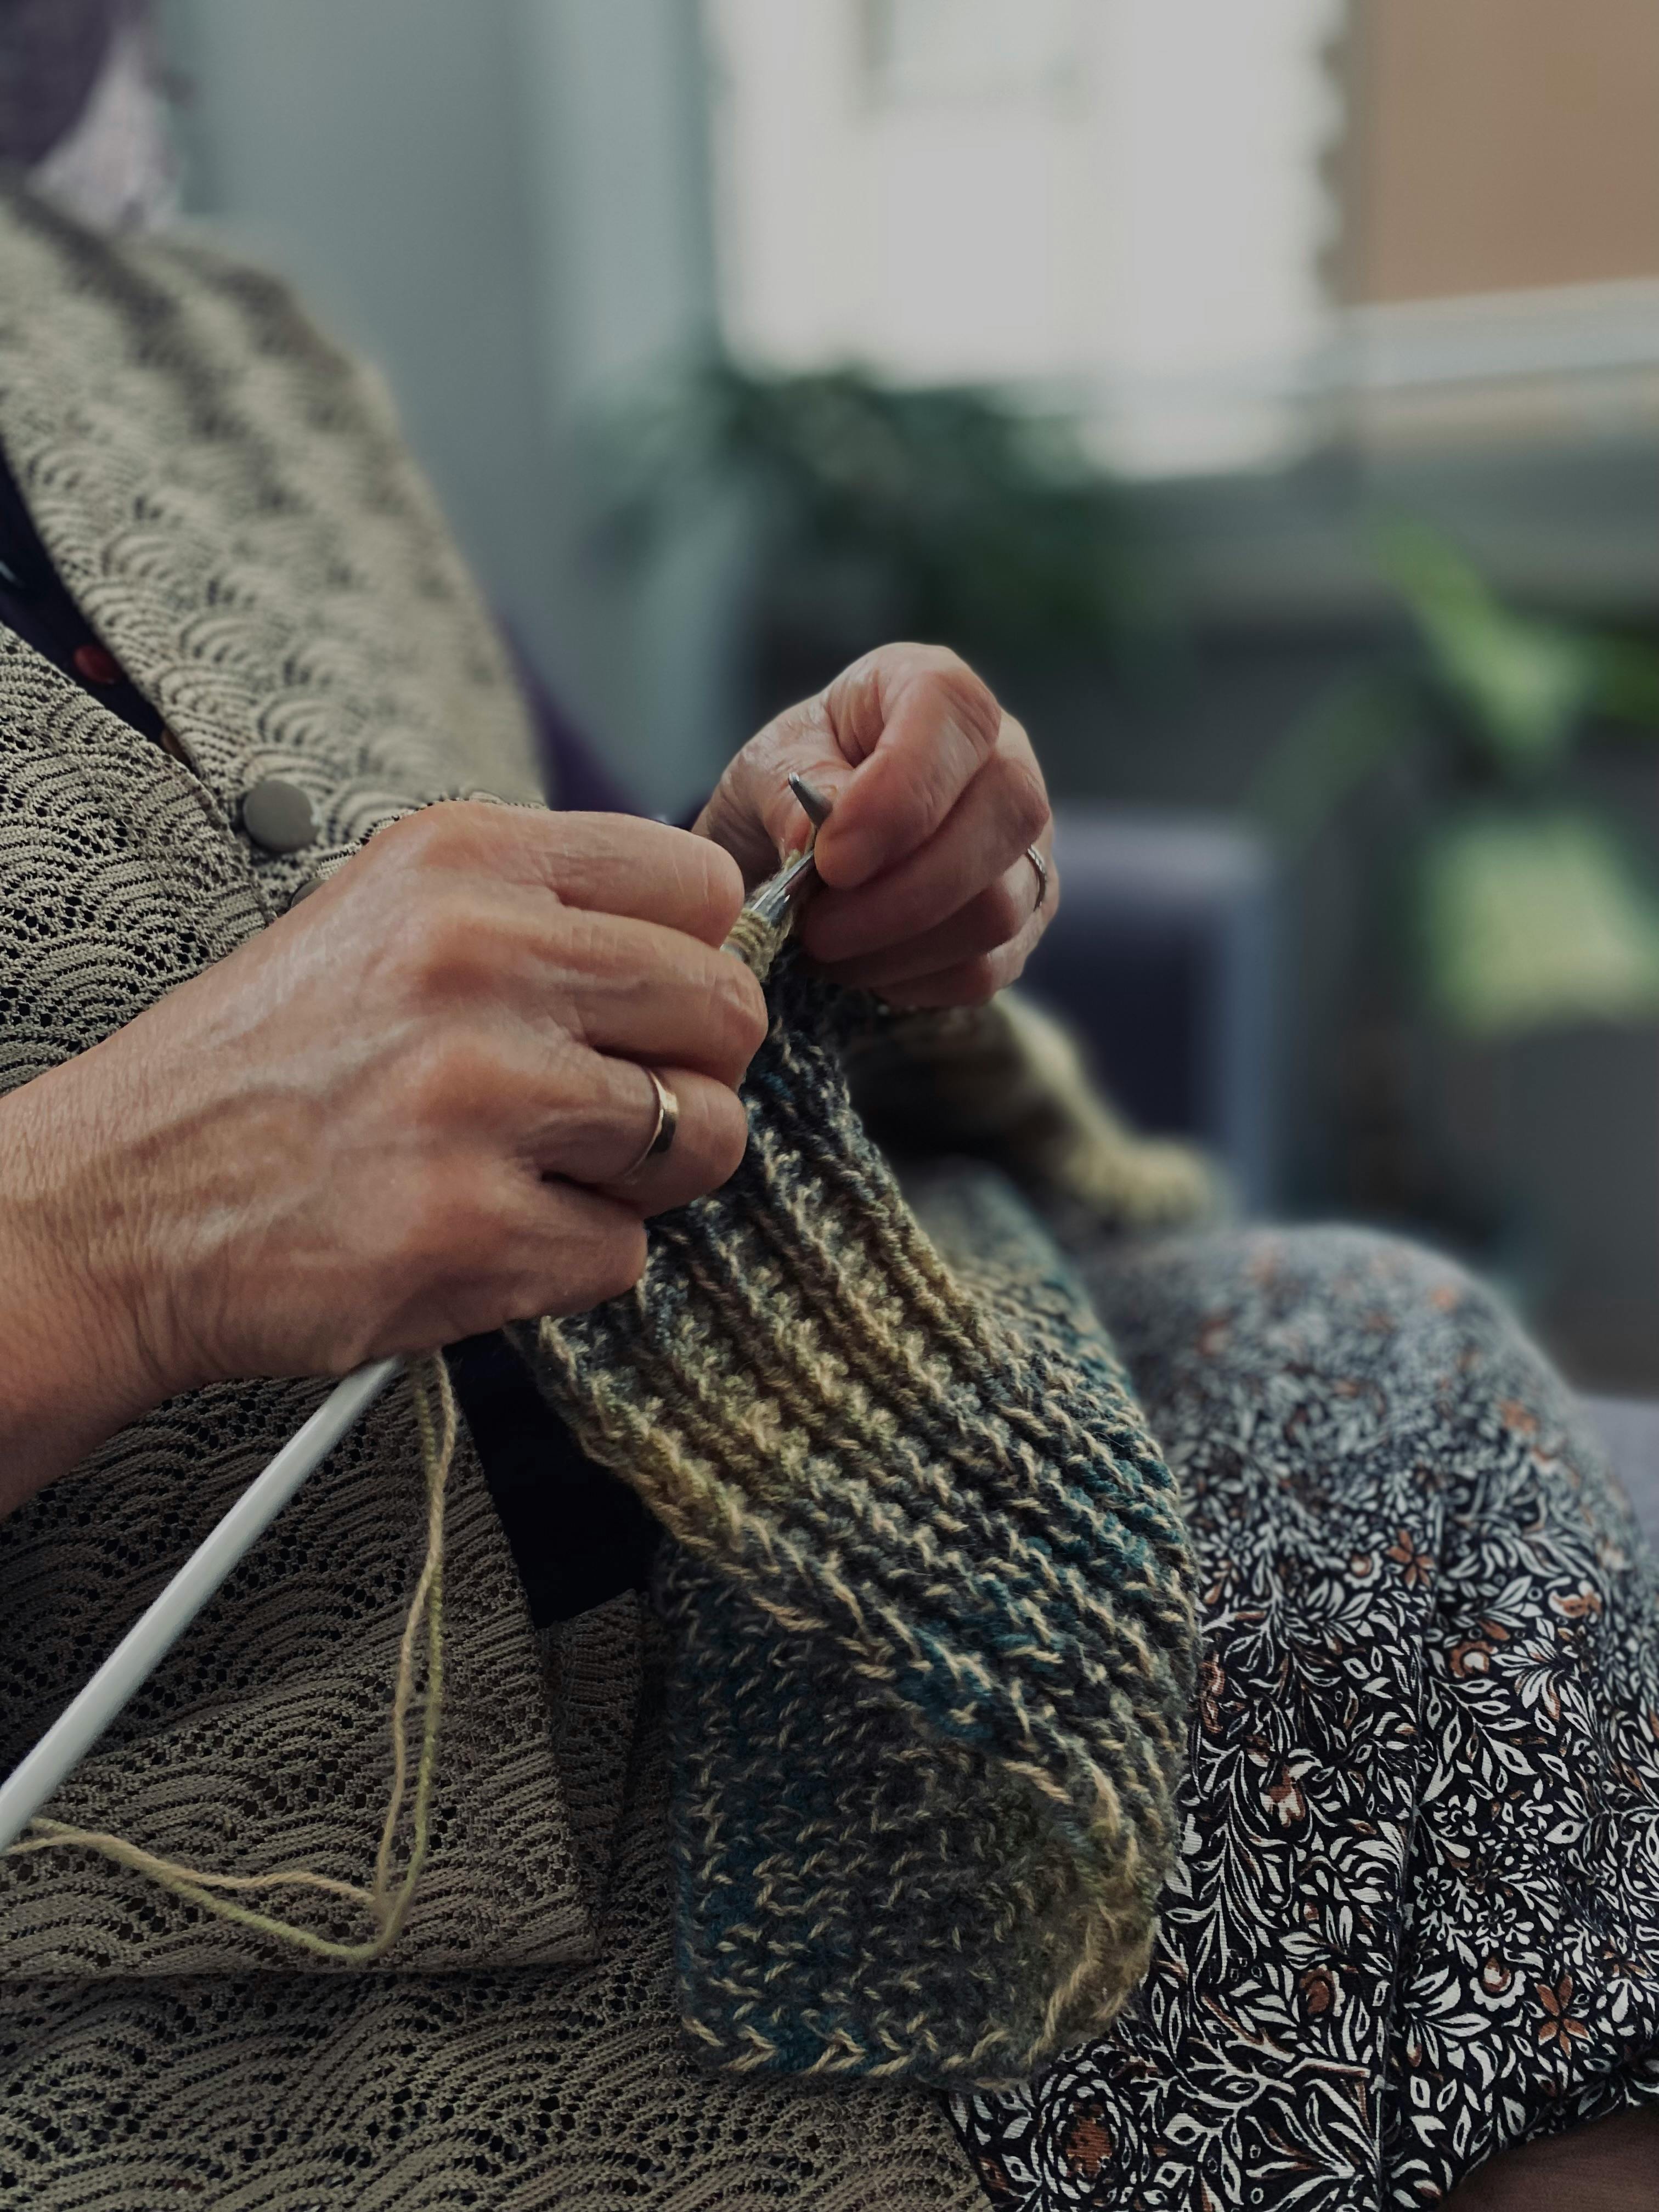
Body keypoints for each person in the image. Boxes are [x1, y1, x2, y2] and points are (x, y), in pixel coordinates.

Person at [0, 11, 1655, 2208]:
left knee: (1424, 1489)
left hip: (760, 1565)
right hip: (241, 1964)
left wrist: (780, 883)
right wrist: (95, 1232)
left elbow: (564, 887)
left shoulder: (221, 356)